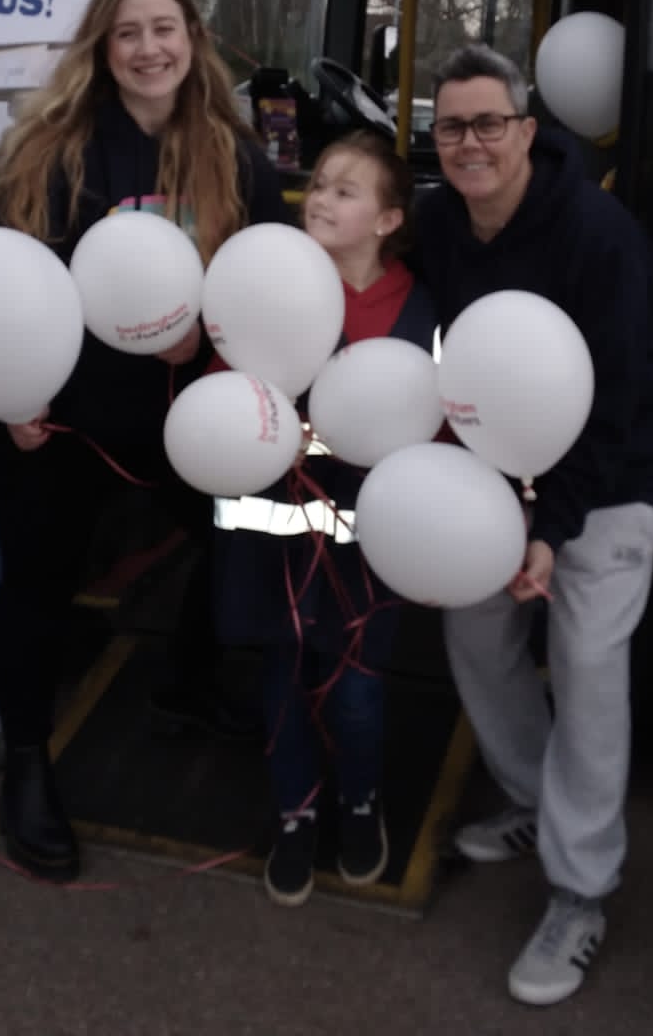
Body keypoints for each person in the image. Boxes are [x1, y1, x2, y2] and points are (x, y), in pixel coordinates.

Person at [0, 0, 288, 884]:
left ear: (193, 41)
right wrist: (9, 398)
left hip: (179, 414)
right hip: (56, 414)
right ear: (101, 52)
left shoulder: (236, 161)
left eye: (165, 29)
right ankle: (27, 764)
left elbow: (267, 290)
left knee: (238, 529)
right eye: (128, 33)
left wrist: (209, 348)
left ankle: (189, 682)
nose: (149, 49)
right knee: (35, 580)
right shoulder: (49, 151)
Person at [415, 43, 653, 1008]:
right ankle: (534, 795)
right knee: (474, 631)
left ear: (528, 129)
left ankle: (581, 890)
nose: (471, 142)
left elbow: (611, 404)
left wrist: (549, 525)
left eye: (490, 123)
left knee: (589, 667)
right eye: (452, 126)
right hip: (503, 473)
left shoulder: (598, 236)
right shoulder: (442, 221)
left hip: (611, 481)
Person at [210, 129, 435, 907]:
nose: (323, 197)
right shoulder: (270, 281)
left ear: (387, 220)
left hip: (368, 544)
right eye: (321, 183)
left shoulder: (417, 305)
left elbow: (435, 420)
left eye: (347, 189)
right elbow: (222, 387)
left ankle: (360, 803)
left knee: (356, 688)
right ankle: (296, 812)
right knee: (284, 674)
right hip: (273, 526)